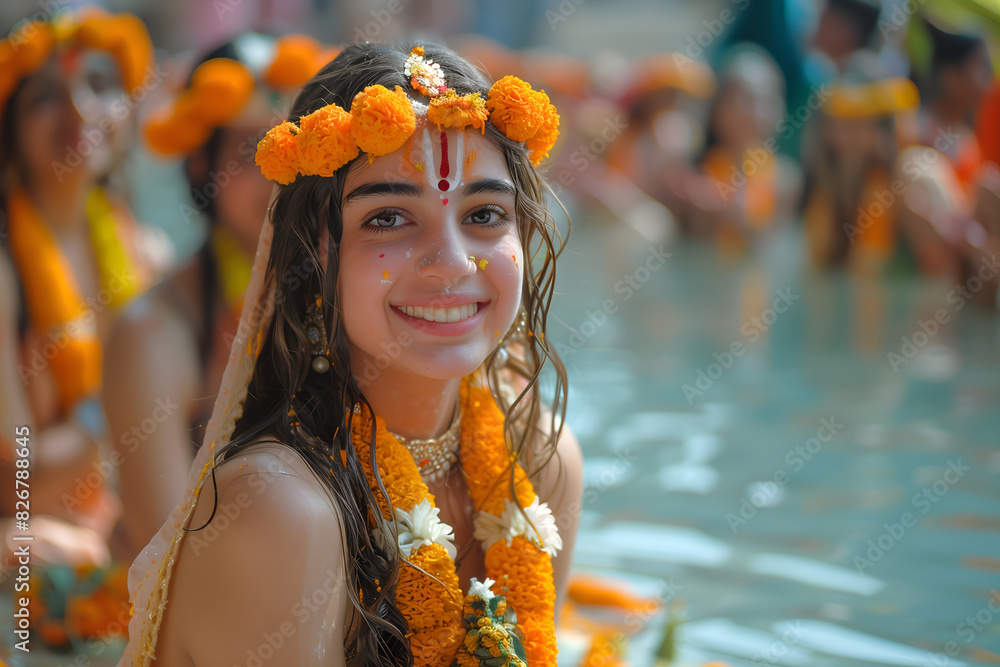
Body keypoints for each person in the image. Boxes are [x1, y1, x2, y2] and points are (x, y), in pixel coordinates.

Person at [122, 42, 583, 667]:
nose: (450, 262)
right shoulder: (281, 512)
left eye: (484, 213)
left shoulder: (539, 460)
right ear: (315, 257)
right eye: (389, 217)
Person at [104, 33, 335, 563]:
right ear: (199, 167)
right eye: (252, 148)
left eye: (297, 142)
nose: (282, 172)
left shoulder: (354, 294)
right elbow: (160, 558)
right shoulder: (153, 332)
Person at [0, 9, 160, 567]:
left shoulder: (130, 242)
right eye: (45, 96)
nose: (80, 111)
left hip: (114, 537)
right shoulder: (5, 273)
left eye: (98, 84)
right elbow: (18, 485)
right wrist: (120, 394)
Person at [800, 53, 920, 272]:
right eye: (835, 125)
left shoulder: (905, 182)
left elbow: (868, 274)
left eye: (855, 126)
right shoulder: (827, 186)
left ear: (884, 131)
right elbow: (814, 268)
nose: (842, 139)